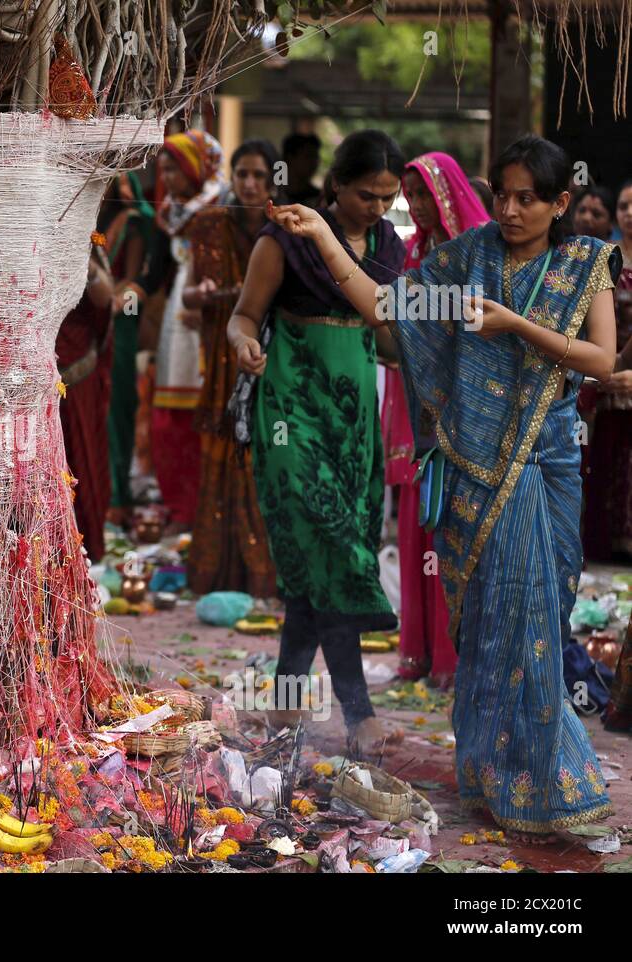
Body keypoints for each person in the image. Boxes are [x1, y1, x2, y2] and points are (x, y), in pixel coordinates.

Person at [267, 134, 618, 837]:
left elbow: (601, 358)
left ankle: (545, 775)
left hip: (545, 464)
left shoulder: (585, 263)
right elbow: (385, 309)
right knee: (493, 620)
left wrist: (516, 323)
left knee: (540, 616)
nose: (511, 210)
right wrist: (327, 242)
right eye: (501, 195)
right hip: (475, 470)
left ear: (560, 203)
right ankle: (499, 773)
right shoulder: (467, 262)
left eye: (528, 199)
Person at [227, 129, 406, 755]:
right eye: (365, 195)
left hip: (355, 415)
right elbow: (245, 314)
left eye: (388, 197)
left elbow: (388, 335)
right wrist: (243, 342)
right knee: (329, 541)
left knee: (323, 555)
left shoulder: (389, 245)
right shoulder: (285, 239)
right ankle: (359, 713)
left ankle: (285, 698)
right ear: (335, 185)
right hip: (293, 413)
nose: (378, 209)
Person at [389, 152, 490, 688]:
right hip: (415, 403)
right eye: (411, 194)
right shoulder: (412, 251)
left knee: (453, 523)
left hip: (461, 404)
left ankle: (454, 659)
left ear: (447, 193)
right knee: (418, 516)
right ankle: (420, 652)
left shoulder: (476, 252)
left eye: (424, 192)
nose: (416, 204)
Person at [180, 139, 278, 597]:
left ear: (275, 178)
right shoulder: (209, 224)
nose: (251, 184)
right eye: (243, 175)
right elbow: (189, 295)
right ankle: (214, 574)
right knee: (222, 451)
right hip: (223, 354)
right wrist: (202, 295)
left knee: (263, 455)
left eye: (260, 175)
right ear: (232, 177)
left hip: (271, 355)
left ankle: (265, 577)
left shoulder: (287, 228)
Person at [151, 131, 227, 526]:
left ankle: (204, 507)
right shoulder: (172, 211)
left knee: (202, 407)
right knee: (170, 413)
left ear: (196, 168)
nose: (167, 178)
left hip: (209, 313)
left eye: (173, 169)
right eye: (163, 170)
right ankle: (179, 503)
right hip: (177, 317)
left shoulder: (221, 203)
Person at [101, 172, 167, 524]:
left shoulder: (133, 220)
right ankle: (101, 495)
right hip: (92, 321)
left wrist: (106, 298)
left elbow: (128, 281)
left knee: (117, 406)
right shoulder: (96, 219)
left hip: (115, 321)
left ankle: (117, 497)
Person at [580, 180, 632, 562]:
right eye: (625, 206)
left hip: (622, 371)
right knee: (600, 459)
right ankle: (598, 548)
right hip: (599, 375)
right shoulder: (605, 261)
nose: (630, 213)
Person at [57, 249, 115, 562]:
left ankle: (82, 551)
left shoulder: (83, 237)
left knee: (81, 461)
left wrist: (83, 258)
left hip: (75, 373)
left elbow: (105, 301)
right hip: (17, 378)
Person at [281, 133, 322, 207]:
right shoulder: (273, 194)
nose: (314, 162)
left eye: (316, 157)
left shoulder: (318, 198)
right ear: (290, 158)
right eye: (308, 156)